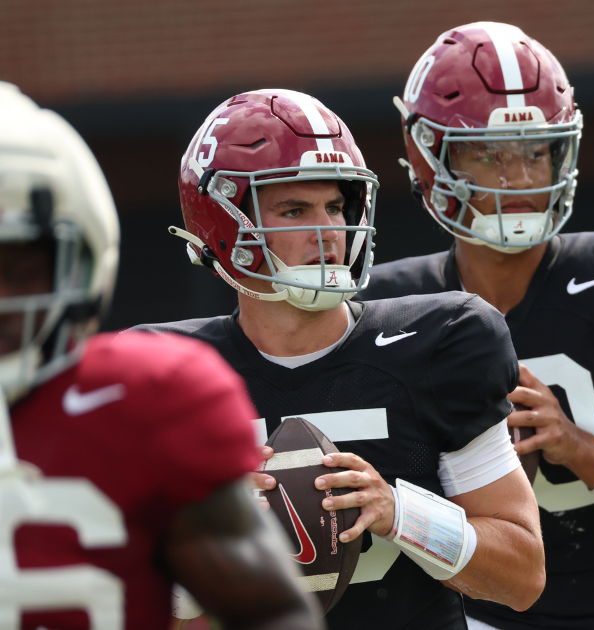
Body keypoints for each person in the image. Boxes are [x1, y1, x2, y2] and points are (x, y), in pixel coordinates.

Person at [359, 22, 594, 630]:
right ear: (426, 156)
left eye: (536, 150)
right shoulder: (387, 307)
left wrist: (581, 450)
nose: (517, 179)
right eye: (487, 152)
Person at [134, 89, 544, 629]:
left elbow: (522, 576)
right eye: (294, 210)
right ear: (223, 226)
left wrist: (401, 514)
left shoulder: (438, 342)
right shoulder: (162, 374)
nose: (327, 230)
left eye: (335, 206)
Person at [0, 82, 325, 629]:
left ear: (82, 258)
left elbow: (273, 617)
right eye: (295, 208)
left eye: (21, 264)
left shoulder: (146, 399)